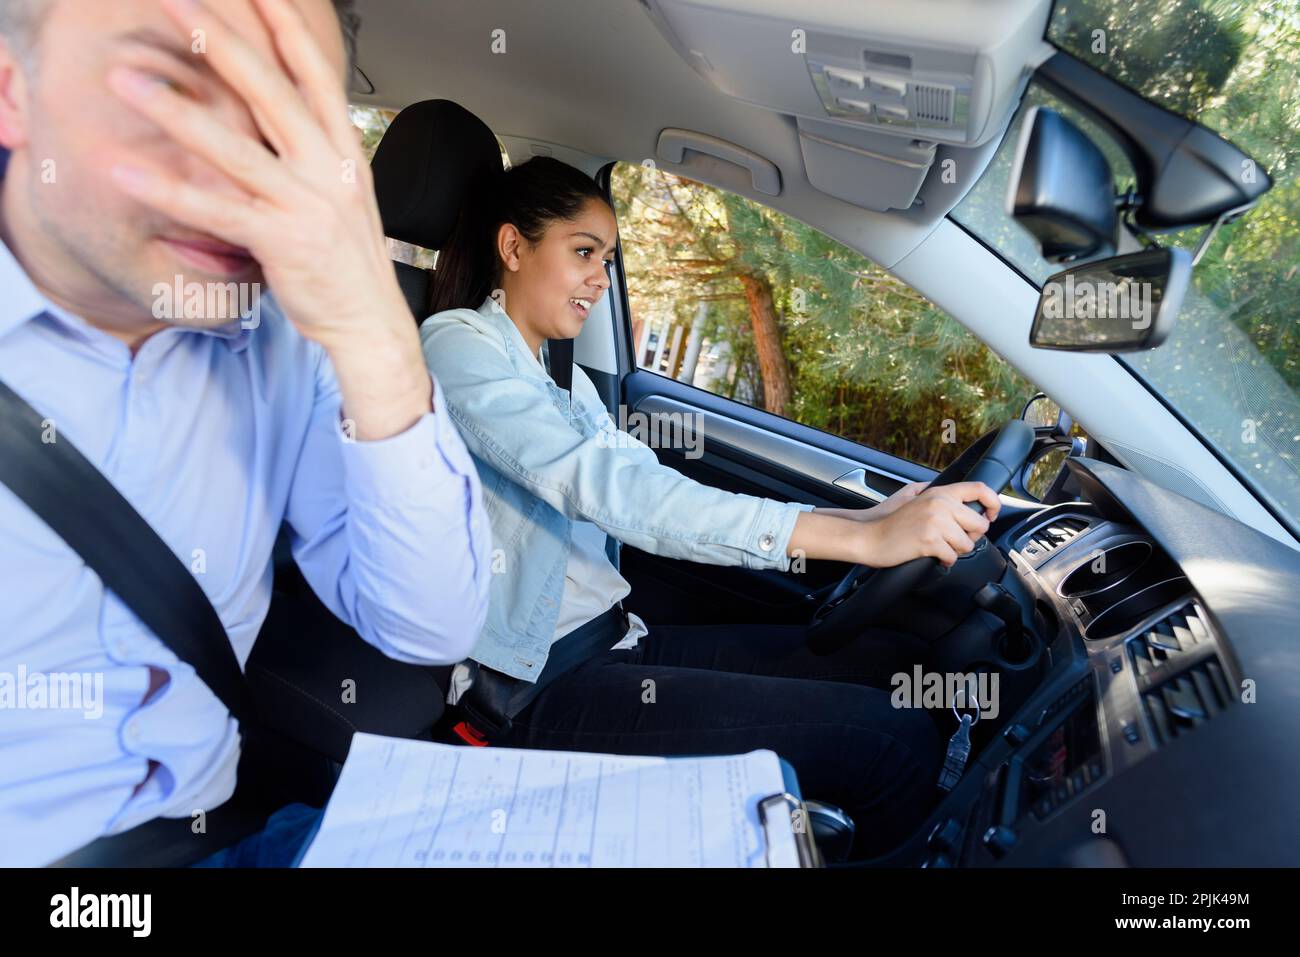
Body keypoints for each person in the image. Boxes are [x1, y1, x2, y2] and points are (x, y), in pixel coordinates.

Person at [0, 0, 491, 866]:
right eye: (171, 86)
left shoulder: (290, 341)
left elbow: (427, 623)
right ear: (14, 92)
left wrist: (375, 328)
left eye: (287, 120)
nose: (243, 174)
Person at [420, 156, 1001, 858]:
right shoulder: (455, 346)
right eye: (583, 252)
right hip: (538, 689)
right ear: (513, 248)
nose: (600, 279)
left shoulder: (553, 378)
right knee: (889, 742)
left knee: (891, 664)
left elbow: (648, 478)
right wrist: (860, 544)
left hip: (616, 641)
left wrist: (872, 521)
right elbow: (604, 487)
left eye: (607, 259)